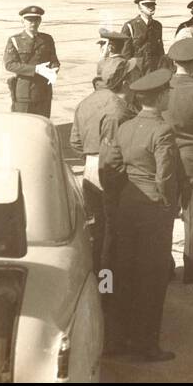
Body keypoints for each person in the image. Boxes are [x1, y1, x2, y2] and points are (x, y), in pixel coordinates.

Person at [111, 68, 179, 361]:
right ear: (160, 96)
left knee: (125, 271)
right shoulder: (162, 130)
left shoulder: (125, 126)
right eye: (166, 93)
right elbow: (165, 176)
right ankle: (145, 344)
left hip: (127, 203)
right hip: (152, 207)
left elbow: (114, 165)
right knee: (152, 278)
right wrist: (168, 203)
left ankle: (120, 336)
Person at [71, 56, 130, 274]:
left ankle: (97, 279)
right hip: (111, 170)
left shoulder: (85, 103)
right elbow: (116, 150)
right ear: (123, 81)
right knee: (112, 232)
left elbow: (74, 141)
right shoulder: (118, 108)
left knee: (96, 229)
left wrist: (89, 158)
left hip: (89, 167)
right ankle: (108, 287)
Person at [163, 37, 193, 284]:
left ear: (174, 62)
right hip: (192, 156)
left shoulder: (163, 87)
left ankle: (164, 265)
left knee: (164, 211)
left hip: (165, 156)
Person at [3, 5, 60, 116]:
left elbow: (54, 60)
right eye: (29, 20)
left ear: (40, 21)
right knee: (23, 125)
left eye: (36, 20)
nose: (33, 23)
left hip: (44, 91)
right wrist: (35, 69)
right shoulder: (15, 40)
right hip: (24, 93)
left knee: (42, 125)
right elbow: (10, 64)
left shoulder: (47, 39)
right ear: (22, 21)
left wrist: (54, 68)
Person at [121, 0, 165, 77]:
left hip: (153, 70)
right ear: (140, 8)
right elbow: (125, 53)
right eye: (147, 5)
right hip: (137, 72)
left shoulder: (157, 25)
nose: (151, 7)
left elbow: (160, 50)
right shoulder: (130, 26)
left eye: (152, 5)